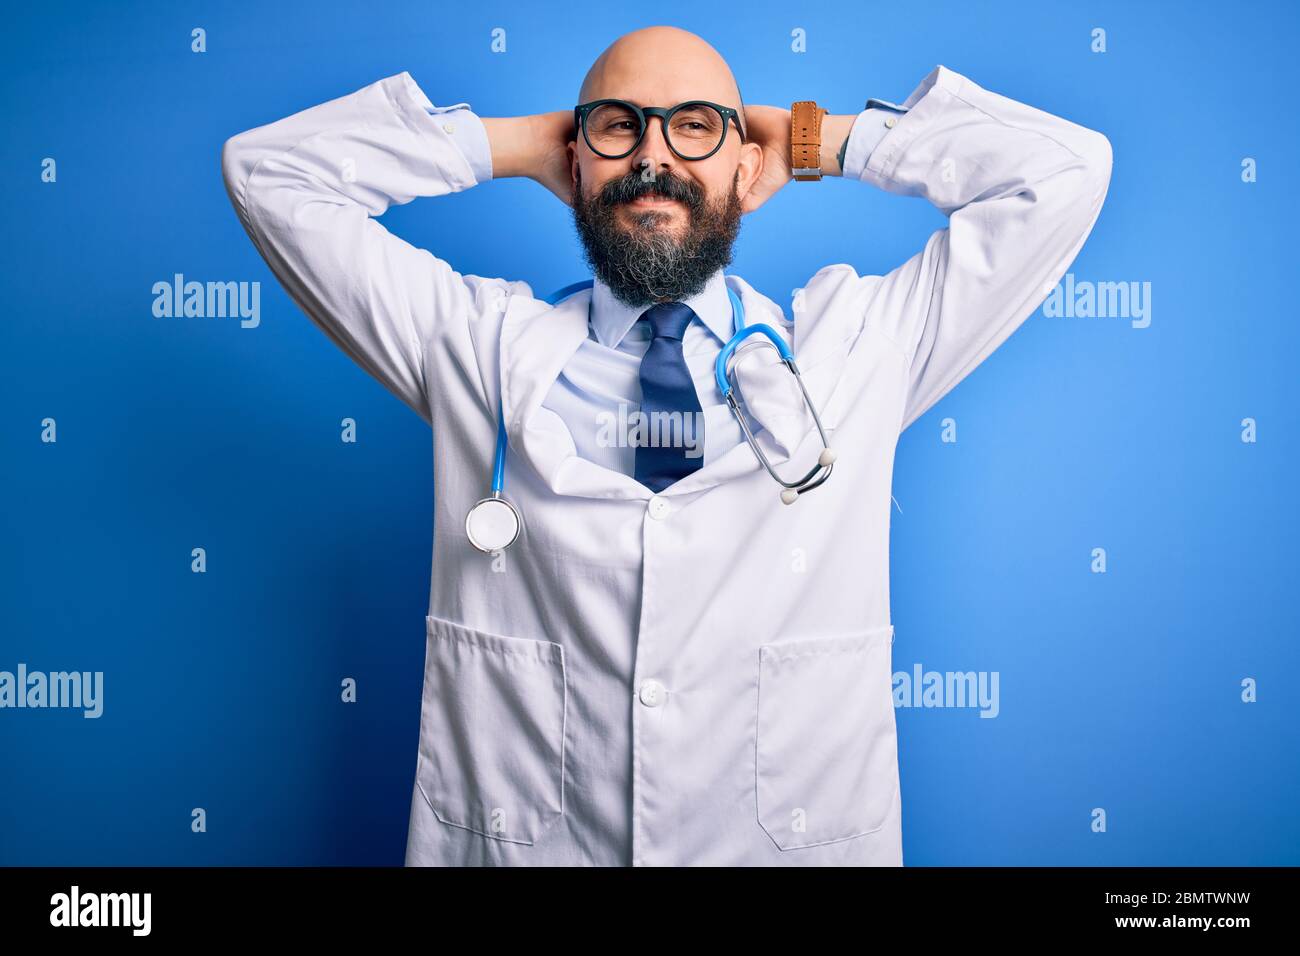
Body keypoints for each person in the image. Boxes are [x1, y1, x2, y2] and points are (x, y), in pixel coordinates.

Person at [221, 25, 1112, 866]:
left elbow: (1066, 171)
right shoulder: (474, 346)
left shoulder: (858, 348)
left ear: (749, 165)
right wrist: (522, 143)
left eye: (695, 127)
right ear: (574, 163)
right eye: (618, 128)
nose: (653, 156)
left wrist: (819, 140)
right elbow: (268, 175)